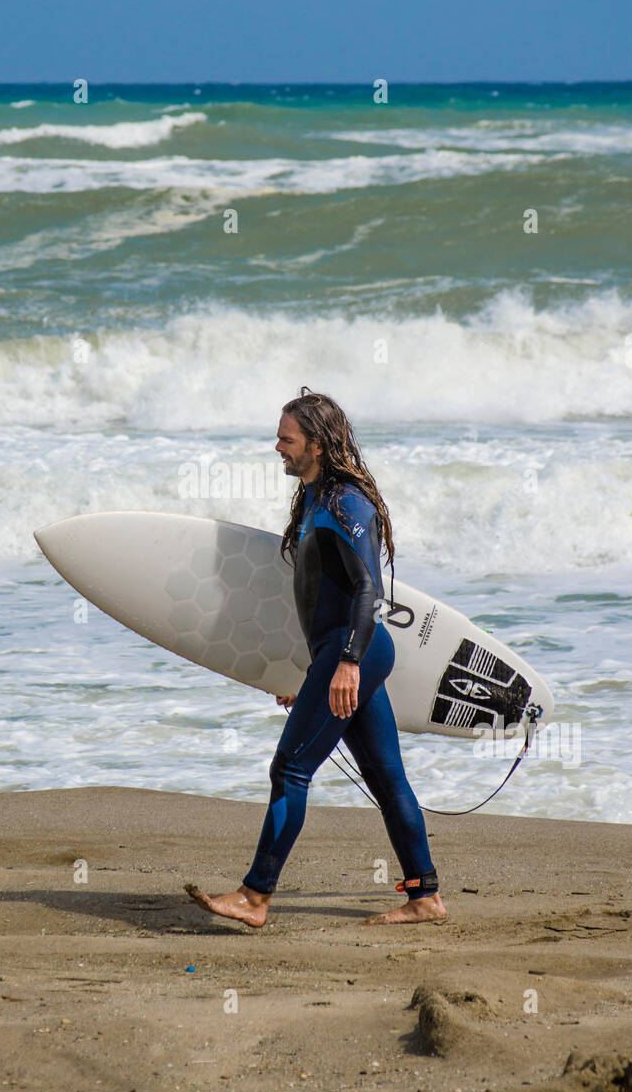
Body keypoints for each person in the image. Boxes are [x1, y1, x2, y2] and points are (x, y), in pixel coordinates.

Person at [185, 387, 447, 928]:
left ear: (318, 444)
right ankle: (425, 897)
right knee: (385, 777)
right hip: (340, 654)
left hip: (359, 652)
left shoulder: (347, 504)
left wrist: (346, 663)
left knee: (291, 768)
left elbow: (368, 591)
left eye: (287, 439)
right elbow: (320, 600)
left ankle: (256, 896)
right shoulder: (312, 499)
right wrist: (314, 672)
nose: (277, 447)